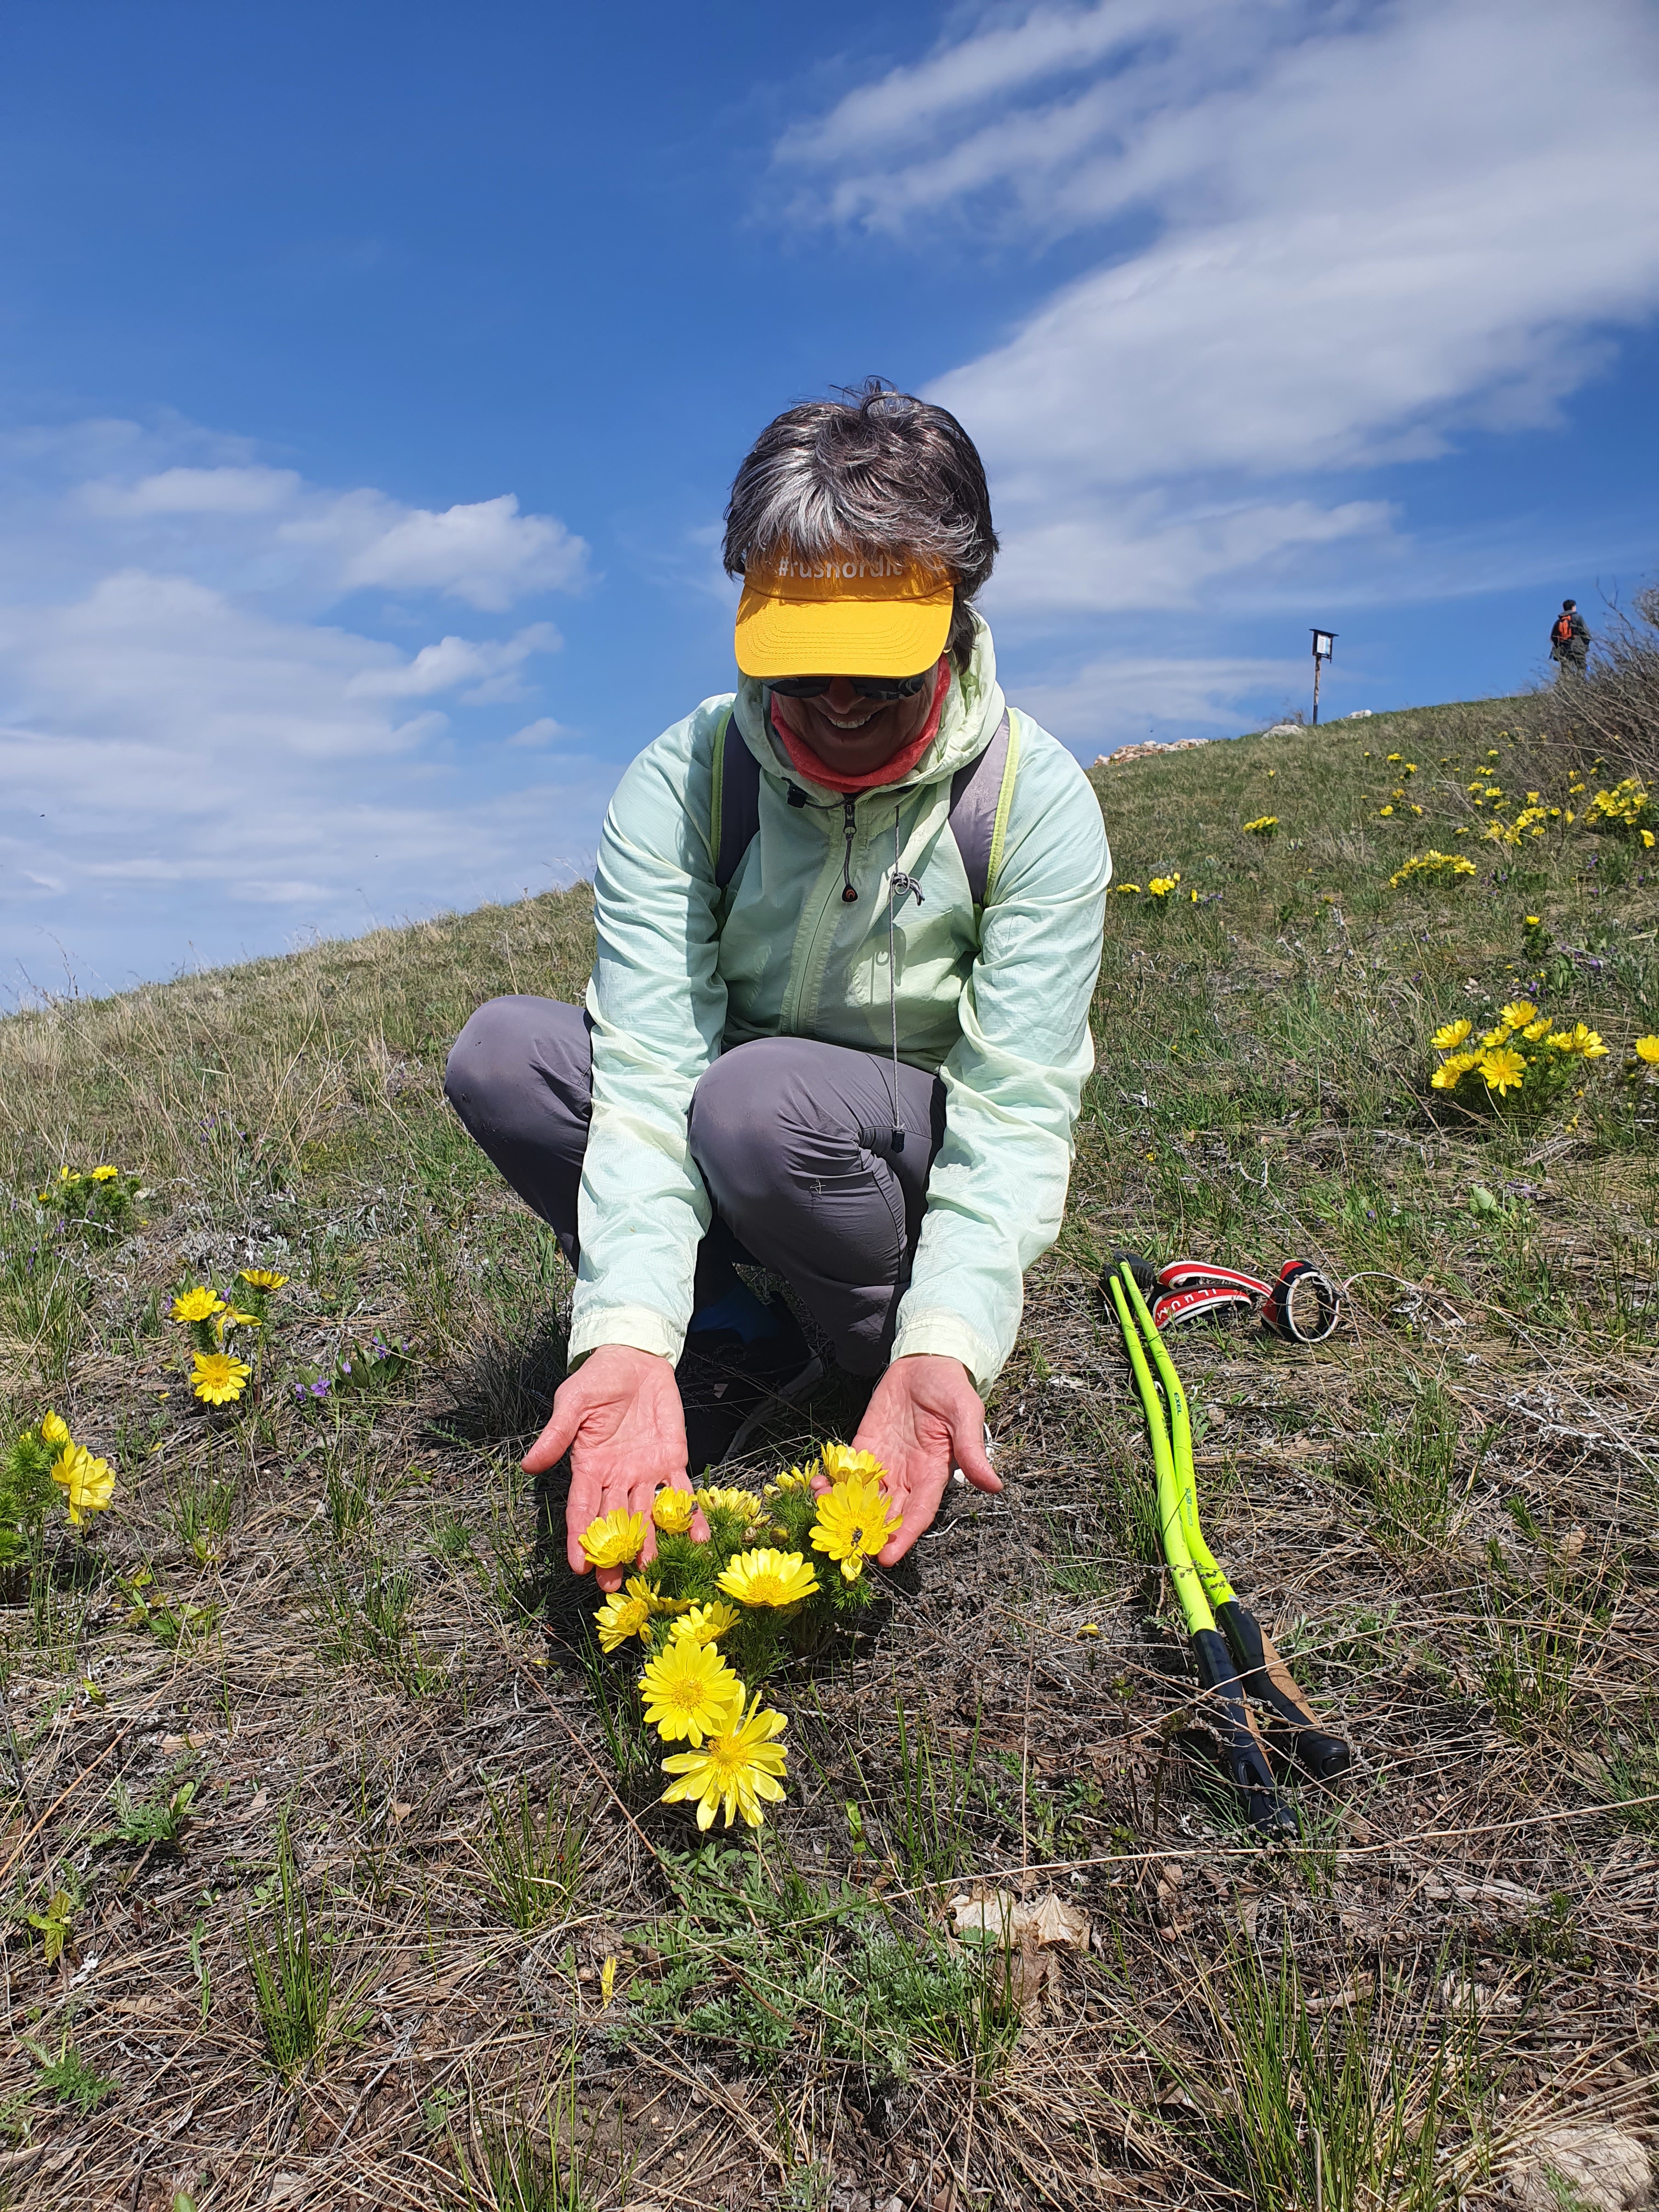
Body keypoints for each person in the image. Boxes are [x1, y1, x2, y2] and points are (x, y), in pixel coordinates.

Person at [444, 382, 1112, 1593]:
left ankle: (873, 1354)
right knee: (508, 1054)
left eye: (880, 668)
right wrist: (625, 1335)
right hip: (732, 1120)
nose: (841, 704)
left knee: (755, 1102)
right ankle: (722, 1334)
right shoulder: (685, 778)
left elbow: (1015, 1108)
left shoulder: (1034, 799)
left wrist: (946, 1341)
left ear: (960, 604)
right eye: (806, 671)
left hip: (880, 1145)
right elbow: (647, 1076)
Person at [1549, 598, 1590, 679]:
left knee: (1566, 671)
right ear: (1573, 607)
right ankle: (1581, 685)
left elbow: (1553, 637)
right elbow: (1586, 634)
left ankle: (1566, 687)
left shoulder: (1558, 622)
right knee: (1581, 668)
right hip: (1577, 647)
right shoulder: (1577, 618)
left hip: (1564, 650)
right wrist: (1585, 646)